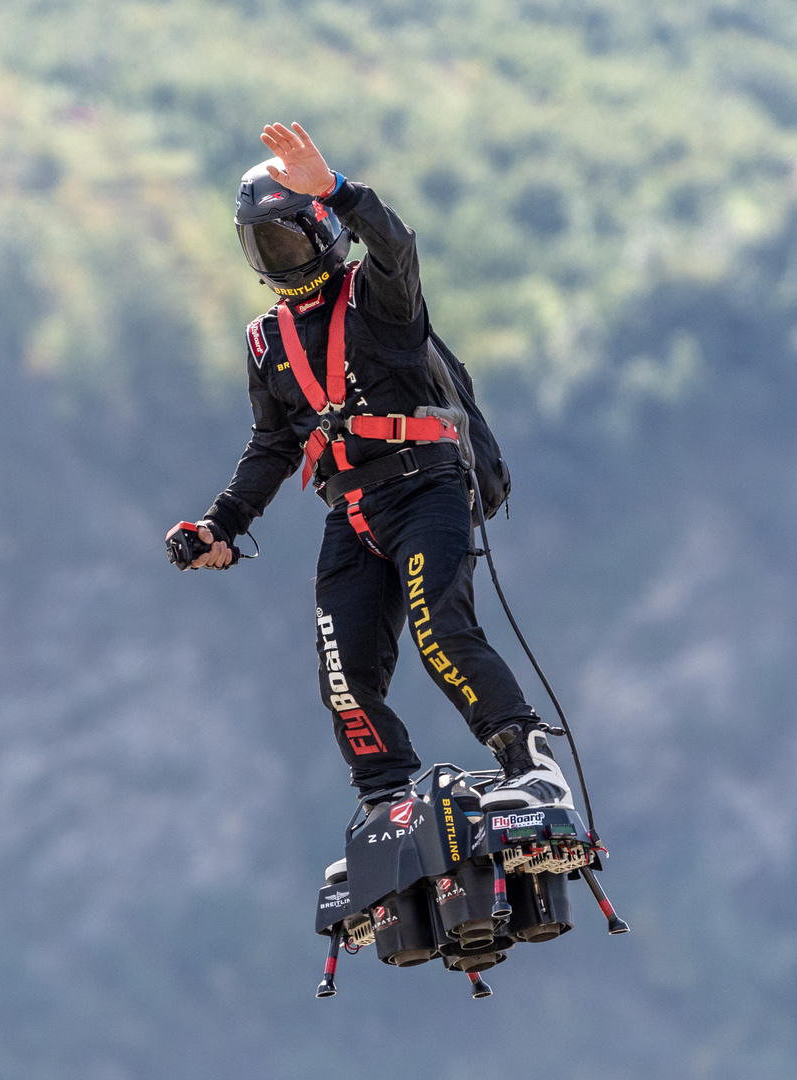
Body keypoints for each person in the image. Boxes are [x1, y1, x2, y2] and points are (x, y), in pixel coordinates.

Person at [166, 122, 571, 814]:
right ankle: (387, 800)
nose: (282, 255)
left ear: (323, 228)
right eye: (266, 244)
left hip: (427, 489)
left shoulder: (380, 300)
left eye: (290, 236)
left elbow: (397, 246)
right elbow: (273, 445)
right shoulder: (266, 342)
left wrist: (336, 189)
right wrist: (219, 525)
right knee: (342, 674)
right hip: (351, 513)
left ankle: (528, 762)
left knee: (440, 633)